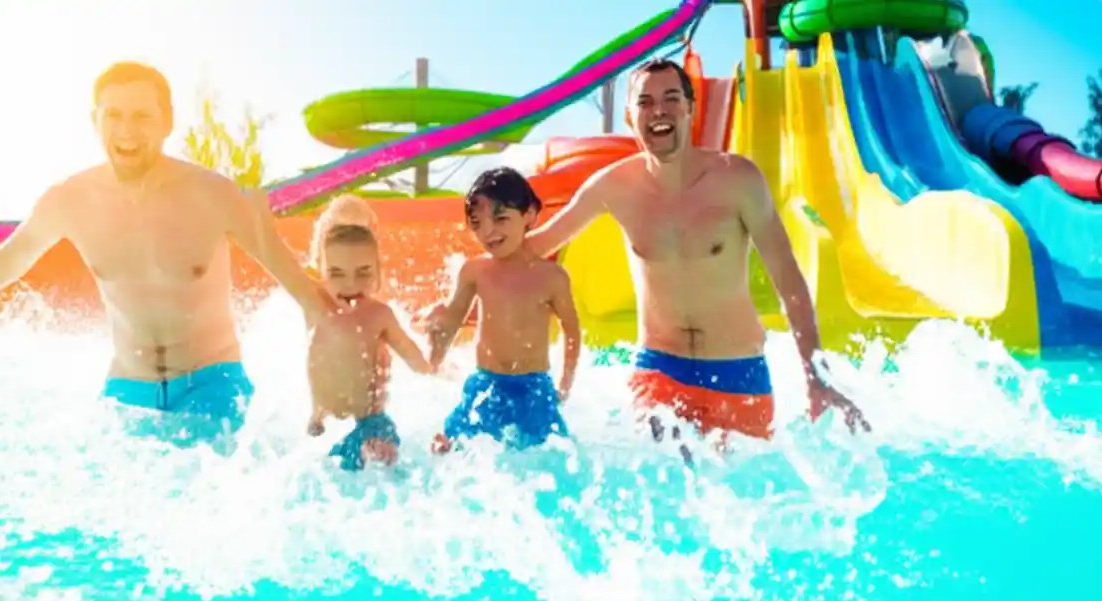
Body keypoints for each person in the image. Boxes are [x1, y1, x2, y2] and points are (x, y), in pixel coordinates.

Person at [0, 62, 333, 444]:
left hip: (213, 383)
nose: (126, 130)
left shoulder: (212, 196)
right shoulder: (70, 200)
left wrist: (328, 384)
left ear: (167, 122)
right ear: (95, 120)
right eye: (114, 115)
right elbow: (14, 256)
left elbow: (298, 287)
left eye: (142, 116)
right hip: (126, 390)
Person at [523, 58, 869, 446]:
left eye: (671, 98)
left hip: (738, 372)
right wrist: (474, 266)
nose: (659, 110)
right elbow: (538, 245)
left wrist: (816, 379)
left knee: (736, 479)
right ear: (629, 116)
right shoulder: (612, 187)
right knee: (665, 455)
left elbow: (789, 282)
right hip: (659, 369)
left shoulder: (738, 179)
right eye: (645, 102)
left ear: (691, 108)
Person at [426, 167, 581, 452]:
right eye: (477, 223)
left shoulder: (551, 277)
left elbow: (571, 330)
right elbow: (453, 320)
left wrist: (564, 385)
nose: (488, 232)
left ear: (529, 215)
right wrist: (435, 346)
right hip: (487, 383)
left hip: (534, 387)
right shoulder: (475, 271)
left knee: (549, 451)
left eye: (500, 218)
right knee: (448, 447)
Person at [303, 221, 433, 470]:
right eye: (337, 273)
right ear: (320, 272)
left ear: (378, 272)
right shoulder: (315, 308)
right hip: (324, 424)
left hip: (372, 424)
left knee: (376, 458)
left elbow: (413, 358)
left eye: (363, 273)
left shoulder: (379, 316)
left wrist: (436, 371)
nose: (351, 284)